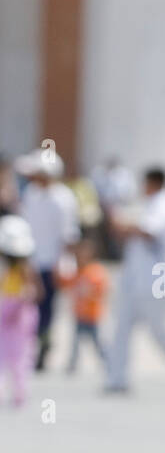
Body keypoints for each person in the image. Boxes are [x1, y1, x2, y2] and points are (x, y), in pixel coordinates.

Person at [105, 167, 165, 393]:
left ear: (153, 183)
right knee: (121, 327)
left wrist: (122, 225)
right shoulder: (150, 203)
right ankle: (117, 378)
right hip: (135, 277)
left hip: (155, 277)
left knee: (159, 329)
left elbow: (149, 231)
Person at [16, 149, 79, 372]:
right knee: (24, 306)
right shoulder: (31, 194)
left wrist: (61, 265)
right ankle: (25, 349)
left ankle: (42, 350)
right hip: (30, 260)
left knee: (46, 310)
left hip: (50, 264)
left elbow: (68, 236)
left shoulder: (63, 199)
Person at [0, 214, 42, 407]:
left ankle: (20, 391)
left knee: (20, 356)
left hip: (21, 316)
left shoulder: (27, 269)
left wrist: (25, 297)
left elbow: (37, 292)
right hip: (4, 312)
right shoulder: (4, 268)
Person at [58, 237, 109, 374]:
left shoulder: (96, 271)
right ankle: (73, 363)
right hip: (79, 313)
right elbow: (66, 283)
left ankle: (108, 361)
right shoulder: (77, 272)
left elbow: (102, 289)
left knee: (97, 342)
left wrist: (91, 292)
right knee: (75, 342)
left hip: (92, 314)